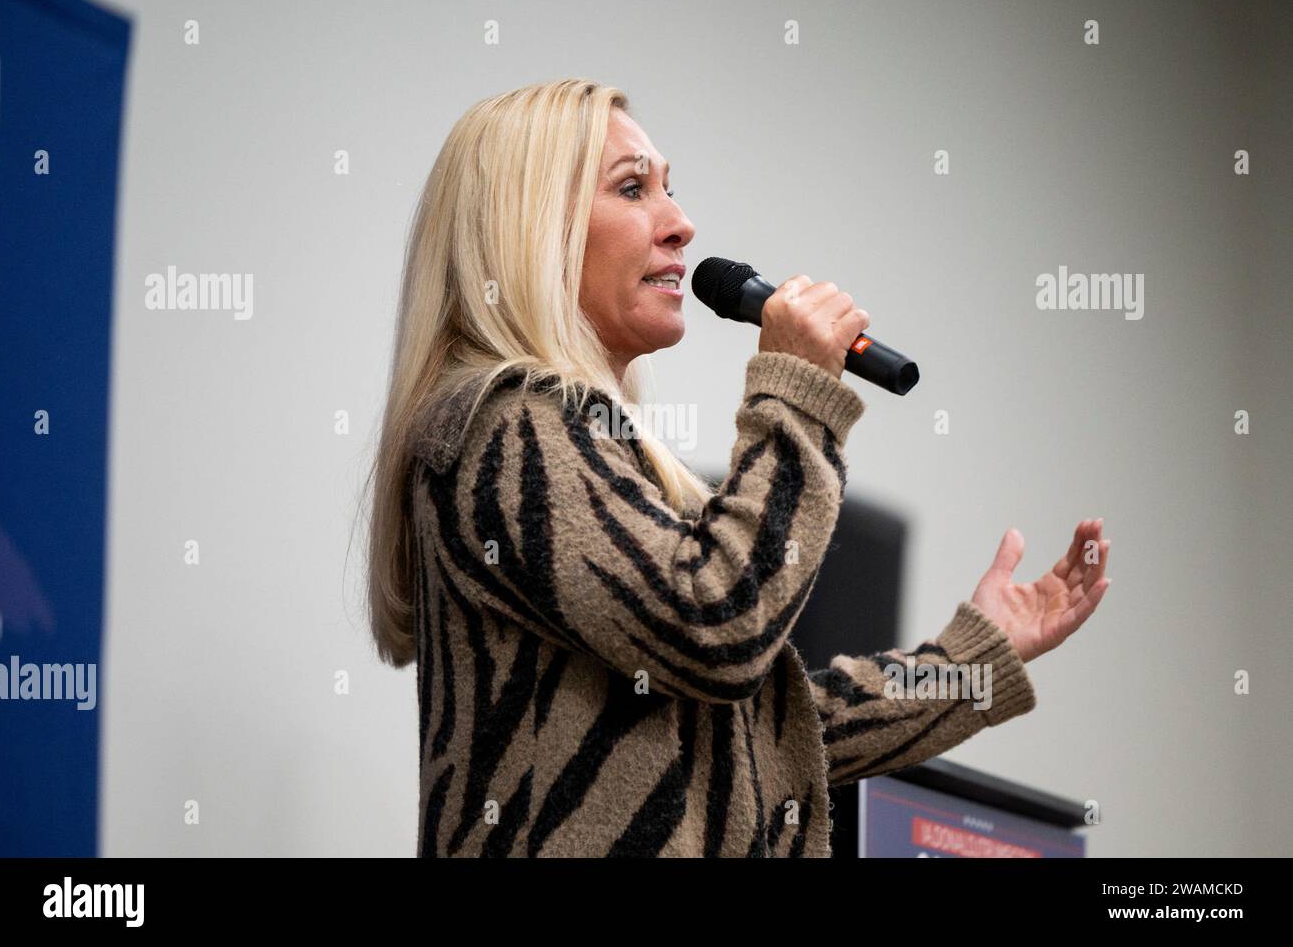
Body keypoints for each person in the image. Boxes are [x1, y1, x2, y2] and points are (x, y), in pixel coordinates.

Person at [363, 78, 1112, 857]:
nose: (681, 225)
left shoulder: (577, 447)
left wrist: (972, 658)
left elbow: (763, 738)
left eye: (670, 189)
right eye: (632, 188)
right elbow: (716, 626)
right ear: (531, 229)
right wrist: (796, 391)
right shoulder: (507, 425)